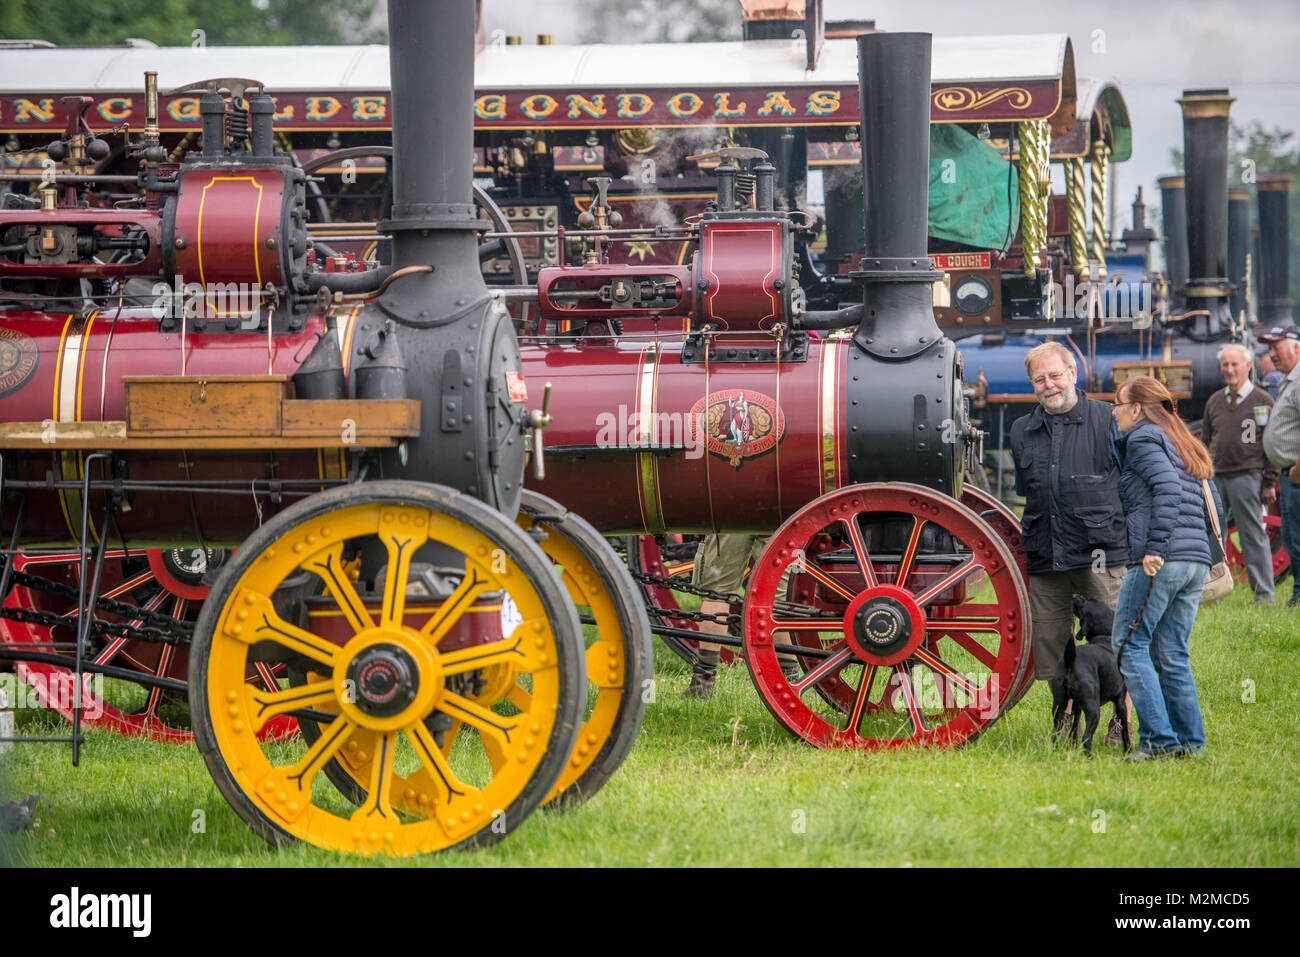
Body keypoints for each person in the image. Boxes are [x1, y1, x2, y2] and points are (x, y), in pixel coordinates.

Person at [1110, 375, 1221, 760]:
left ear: (1137, 408)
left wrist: (1155, 547)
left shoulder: (1143, 438)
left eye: (1118, 405)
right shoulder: (1183, 439)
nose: (1115, 413)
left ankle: (1159, 741)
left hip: (1160, 560)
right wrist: (1198, 548)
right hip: (1194, 561)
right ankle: (1192, 744)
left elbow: (1167, 490)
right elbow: (1214, 505)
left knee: (1128, 645)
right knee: (1172, 651)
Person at [1010, 341, 1128, 683]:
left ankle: (1121, 721)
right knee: (1051, 645)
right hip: (1046, 554)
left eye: (1055, 376)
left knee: (1114, 638)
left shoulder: (1109, 420)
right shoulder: (1021, 430)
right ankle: (1064, 725)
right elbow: (1028, 492)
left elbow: (1133, 485)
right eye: (1040, 380)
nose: (1049, 385)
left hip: (1100, 553)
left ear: (1073, 373)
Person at [1200, 342, 1278, 604]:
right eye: (1226, 365)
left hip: (1247, 476)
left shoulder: (1263, 401)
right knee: (1213, 537)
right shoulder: (1214, 401)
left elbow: (1271, 444)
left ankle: (1264, 596)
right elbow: (1207, 441)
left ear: (1248, 366)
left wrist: (1268, 482)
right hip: (1217, 477)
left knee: (1252, 536)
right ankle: (1215, 592)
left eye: (1235, 364)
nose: (1230, 370)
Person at [1260, 324, 1300, 606]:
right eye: (1270, 348)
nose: (1271, 354)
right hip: (1290, 475)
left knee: (1297, 537)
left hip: (1296, 475)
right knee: (1293, 536)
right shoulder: (1290, 380)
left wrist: (1297, 470)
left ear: (1296, 347)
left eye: (1277, 347)